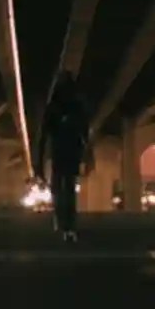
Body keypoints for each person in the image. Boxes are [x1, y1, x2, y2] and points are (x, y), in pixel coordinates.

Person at [34, 72, 89, 242]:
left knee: (58, 188)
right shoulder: (77, 106)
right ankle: (69, 224)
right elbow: (85, 133)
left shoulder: (53, 107)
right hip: (72, 152)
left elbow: (43, 136)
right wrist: (86, 155)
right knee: (69, 189)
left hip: (59, 153)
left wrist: (39, 164)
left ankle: (61, 221)